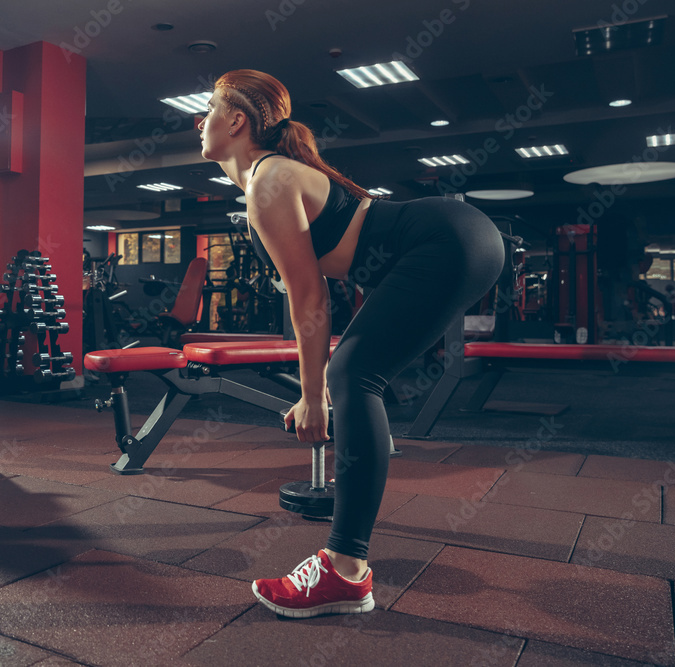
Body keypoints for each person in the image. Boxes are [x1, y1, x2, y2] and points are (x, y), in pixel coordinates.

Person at [199, 69, 505, 618]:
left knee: (350, 376)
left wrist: (314, 394)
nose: (201, 122)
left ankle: (344, 570)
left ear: (236, 120)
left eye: (210, 109)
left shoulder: (269, 181)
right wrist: (315, 390)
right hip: (458, 237)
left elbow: (310, 297)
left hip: (444, 240)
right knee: (356, 372)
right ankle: (347, 568)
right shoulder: (269, 179)